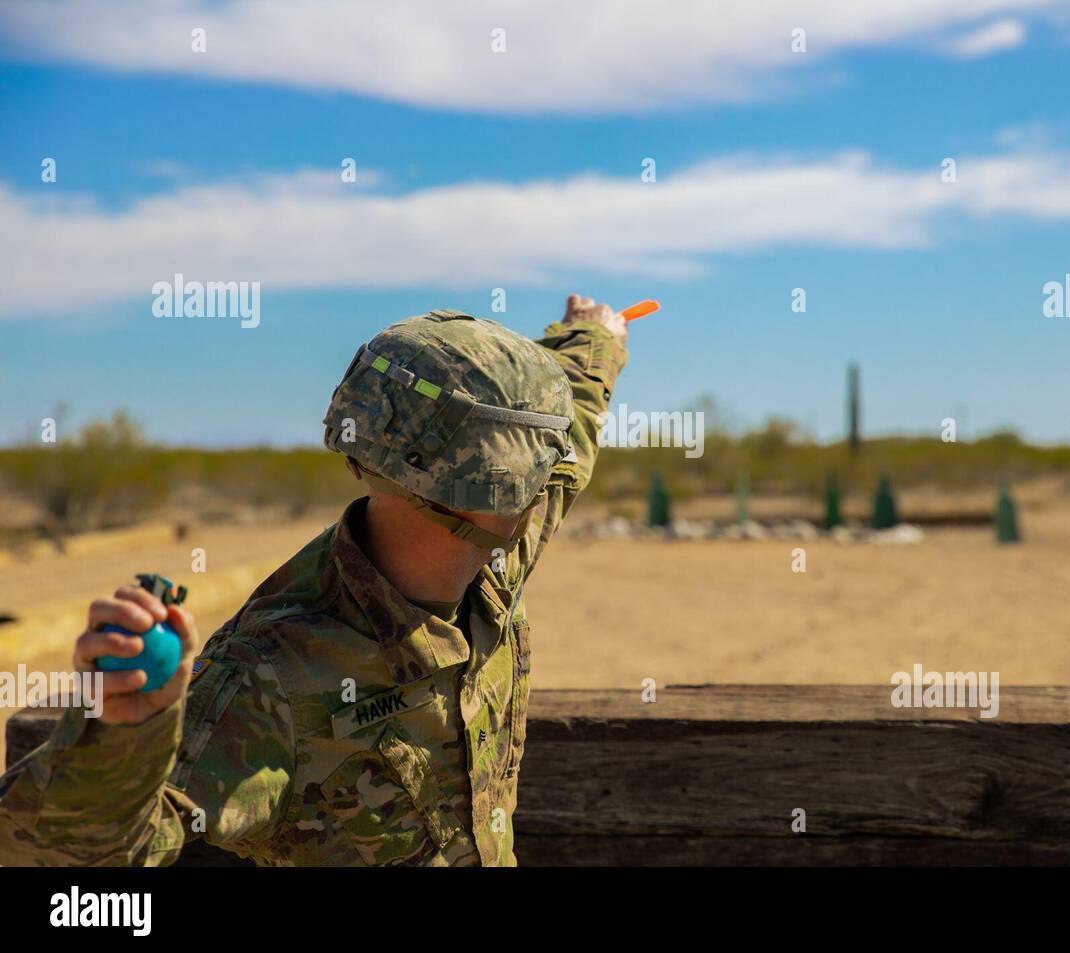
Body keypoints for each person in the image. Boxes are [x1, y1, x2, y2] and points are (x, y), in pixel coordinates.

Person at [0, 295, 628, 866]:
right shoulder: (268, 677)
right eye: (538, 463)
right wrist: (119, 740)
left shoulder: (486, 559)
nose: (554, 479)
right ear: (488, 488)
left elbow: (575, 427)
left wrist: (591, 338)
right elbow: (75, 864)